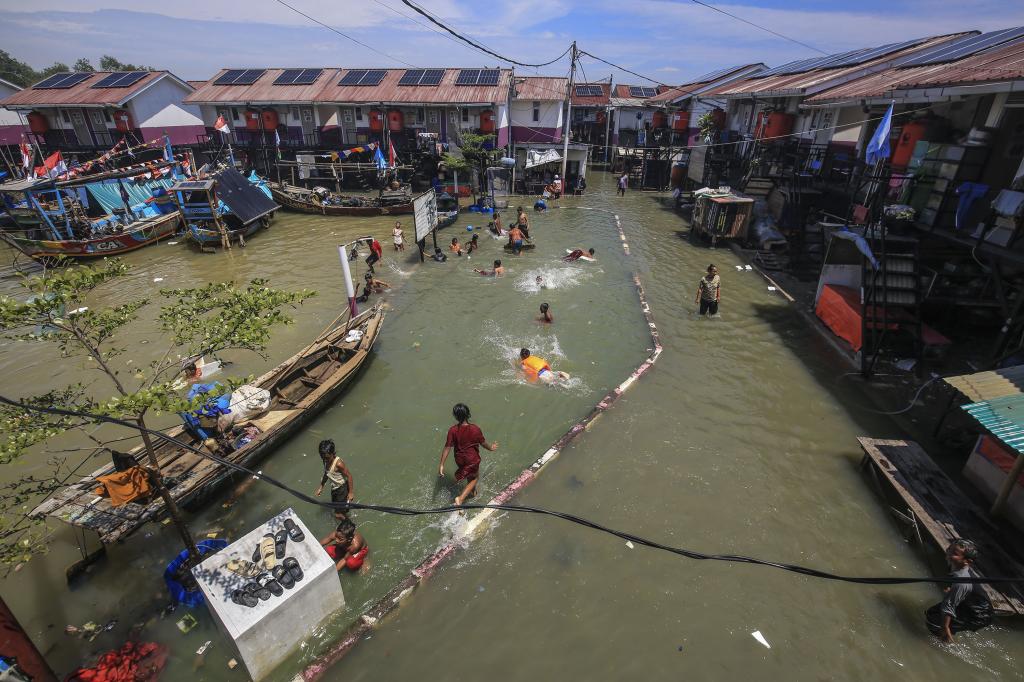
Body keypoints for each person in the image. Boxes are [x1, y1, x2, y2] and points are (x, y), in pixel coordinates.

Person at [925, 539, 994, 642]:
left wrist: (945, 628)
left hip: (979, 614)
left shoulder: (962, 581)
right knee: (932, 612)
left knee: (934, 620)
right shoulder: (956, 566)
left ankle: (944, 643)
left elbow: (948, 607)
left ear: (967, 561)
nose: (948, 553)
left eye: (954, 553)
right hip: (971, 602)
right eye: (949, 549)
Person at [438, 403, 498, 506]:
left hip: (460, 459)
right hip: (472, 459)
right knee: (475, 478)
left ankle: (473, 494)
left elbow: (447, 447)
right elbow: (483, 443)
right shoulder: (475, 429)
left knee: (470, 477)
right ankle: (460, 499)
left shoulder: (452, 430)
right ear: (468, 414)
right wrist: (491, 448)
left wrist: (442, 464)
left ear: (455, 416)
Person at [314, 439, 353, 519]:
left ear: (333, 453)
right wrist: (321, 487)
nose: (325, 460)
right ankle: (346, 521)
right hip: (334, 489)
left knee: (337, 514)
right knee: (338, 509)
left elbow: (349, 476)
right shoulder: (325, 461)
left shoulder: (338, 464)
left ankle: (348, 526)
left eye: (327, 458)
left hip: (342, 489)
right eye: (322, 457)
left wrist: (351, 493)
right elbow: (326, 473)